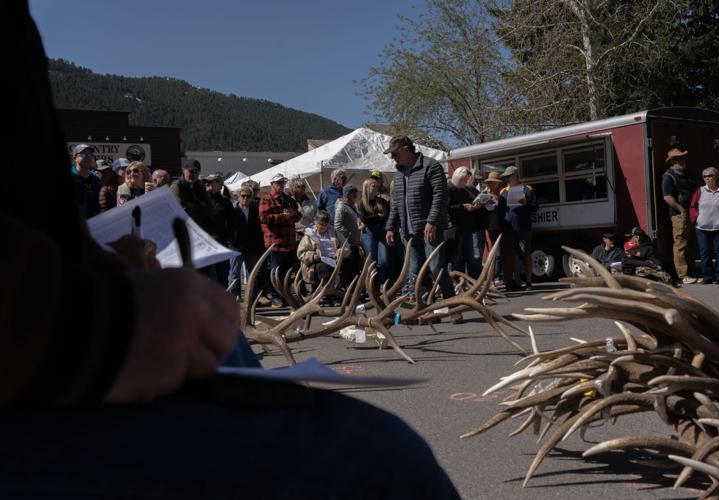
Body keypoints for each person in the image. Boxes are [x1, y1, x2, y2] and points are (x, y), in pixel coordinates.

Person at [2, 4, 460, 498]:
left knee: (230, 344)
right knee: (387, 462)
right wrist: (100, 325)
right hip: (42, 370)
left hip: (61, 310)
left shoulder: (426, 173)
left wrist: (101, 268)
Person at [384, 136, 460, 322]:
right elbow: (395, 203)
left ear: (405, 149)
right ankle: (427, 311)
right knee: (417, 274)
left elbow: (441, 196)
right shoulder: (399, 173)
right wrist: (390, 227)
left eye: (394, 153)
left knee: (436, 268)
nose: (392, 157)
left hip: (430, 229)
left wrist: (432, 221)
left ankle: (453, 307)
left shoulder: (430, 166)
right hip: (408, 233)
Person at [259, 172, 301, 307]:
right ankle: (275, 296)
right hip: (275, 243)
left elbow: (299, 215)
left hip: (289, 243)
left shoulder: (289, 200)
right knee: (274, 271)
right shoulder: (266, 200)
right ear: (272, 184)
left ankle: (285, 295)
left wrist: (293, 214)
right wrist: (283, 216)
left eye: (283, 182)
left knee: (287, 272)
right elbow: (264, 218)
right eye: (278, 183)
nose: (281, 185)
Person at [690, 166, 719, 285]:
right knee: (704, 253)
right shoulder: (699, 191)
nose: (707, 178)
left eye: (710, 176)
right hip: (702, 227)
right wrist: (696, 219)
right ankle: (707, 277)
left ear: (716, 176)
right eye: (705, 176)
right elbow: (693, 206)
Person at [661, 148, 699, 284]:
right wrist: (681, 209)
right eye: (679, 159)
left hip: (692, 212)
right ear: (672, 162)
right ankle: (683, 275)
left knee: (691, 244)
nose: (682, 161)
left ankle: (692, 272)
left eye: (683, 158)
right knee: (680, 244)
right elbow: (667, 197)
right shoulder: (668, 176)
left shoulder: (688, 174)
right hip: (679, 214)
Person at [499, 166, 538, 291]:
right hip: (509, 229)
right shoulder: (503, 192)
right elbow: (500, 211)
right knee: (513, 255)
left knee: (526, 254)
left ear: (516, 176)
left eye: (509, 177)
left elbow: (535, 207)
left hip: (524, 227)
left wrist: (526, 204)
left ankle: (528, 282)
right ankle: (517, 282)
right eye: (505, 178)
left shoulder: (527, 189)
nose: (507, 180)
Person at [448, 167, 487, 279]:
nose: (467, 182)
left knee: (463, 258)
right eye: (466, 180)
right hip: (454, 230)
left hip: (464, 228)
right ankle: (458, 285)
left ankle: (468, 284)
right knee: (457, 259)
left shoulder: (460, 189)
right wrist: (464, 206)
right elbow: (447, 209)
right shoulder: (449, 189)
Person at [228, 186, 265, 300]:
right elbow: (228, 227)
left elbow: (258, 230)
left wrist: (259, 246)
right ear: (239, 197)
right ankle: (234, 296)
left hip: (251, 248)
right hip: (236, 248)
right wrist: (232, 242)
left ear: (251, 198)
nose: (245, 198)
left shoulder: (254, 210)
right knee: (234, 274)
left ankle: (252, 298)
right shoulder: (232, 210)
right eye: (243, 195)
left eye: (248, 196)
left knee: (252, 274)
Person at [297, 210, 346, 288]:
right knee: (323, 267)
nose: (324, 227)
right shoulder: (309, 235)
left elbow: (345, 245)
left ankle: (343, 289)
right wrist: (315, 256)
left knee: (350, 263)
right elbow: (301, 254)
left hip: (334, 259)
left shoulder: (334, 232)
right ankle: (324, 292)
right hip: (317, 262)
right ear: (315, 222)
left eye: (326, 224)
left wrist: (340, 251)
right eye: (321, 224)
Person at [358, 178, 390, 286]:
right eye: (373, 186)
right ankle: (373, 286)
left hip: (381, 232)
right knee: (372, 261)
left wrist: (373, 217)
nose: (376, 188)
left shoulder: (381, 201)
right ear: (367, 188)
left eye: (377, 186)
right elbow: (364, 219)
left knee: (384, 260)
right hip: (369, 233)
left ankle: (381, 283)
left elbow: (386, 215)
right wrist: (377, 216)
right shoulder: (362, 203)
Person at [205, 173, 235, 287]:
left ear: (219, 184)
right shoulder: (200, 200)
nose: (206, 184)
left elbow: (232, 222)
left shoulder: (225, 202)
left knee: (222, 275)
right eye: (205, 182)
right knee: (206, 276)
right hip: (204, 245)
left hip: (220, 244)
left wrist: (228, 238)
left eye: (210, 182)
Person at [335, 184, 364, 289]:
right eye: (354, 195)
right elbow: (337, 225)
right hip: (348, 244)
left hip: (355, 243)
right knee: (350, 269)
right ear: (348, 195)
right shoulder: (341, 207)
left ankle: (355, 290)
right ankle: (349, 291)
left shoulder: (351, 207)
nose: (356, 197)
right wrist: (348, 234)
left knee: (356, 269)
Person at [482, 171, 504, 284]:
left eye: (493, 182)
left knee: (499, 253)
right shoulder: (484, 193)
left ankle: (497, 277)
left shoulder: (503, 194)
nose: (491, 184)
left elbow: (506, 209)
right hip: (489, 226)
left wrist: (498, 201)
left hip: (500, 226)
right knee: (491, 254)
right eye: (490, 182)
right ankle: (491, 280)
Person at [70, 143, 102, 219]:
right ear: (75, 158)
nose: (88, 157)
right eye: (83, 154)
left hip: (93, 224)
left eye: (90, 154)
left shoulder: (96, 179)